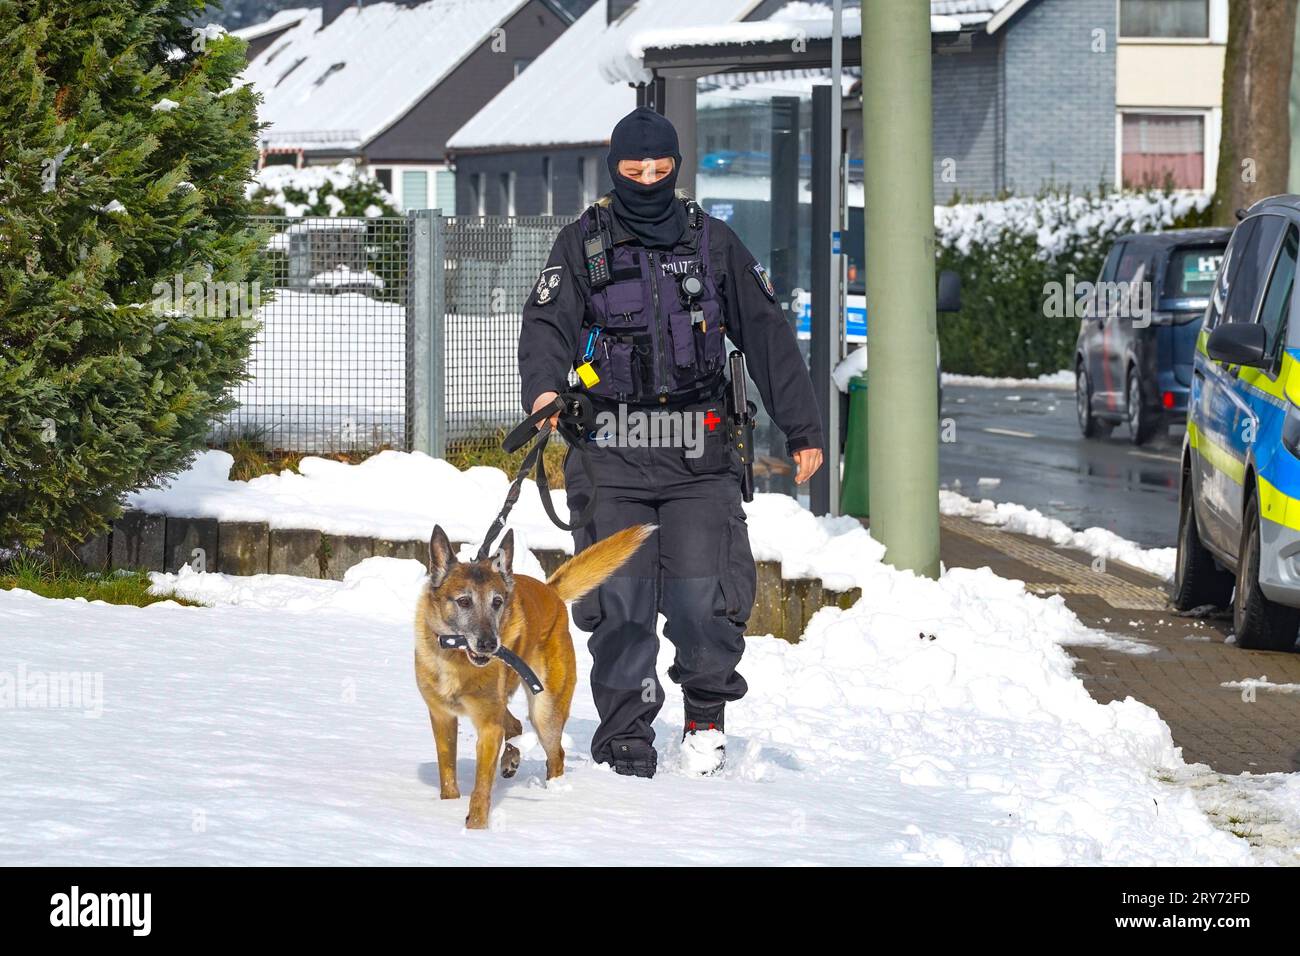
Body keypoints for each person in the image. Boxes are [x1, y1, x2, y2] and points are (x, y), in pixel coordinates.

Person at [518, 106, 823, 778]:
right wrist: (544, 393)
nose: (649, 179)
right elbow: (546, 324)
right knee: (621, 604)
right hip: (612, 449)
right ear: (614, 168)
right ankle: (626, 731)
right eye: (635, 169)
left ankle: (707, 719)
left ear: (677, 168)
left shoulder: (713, 243)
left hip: (699, 455)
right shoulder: (582, 245)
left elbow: (767, 334)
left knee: (702, 599)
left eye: (661, 169)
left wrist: (802, 427)